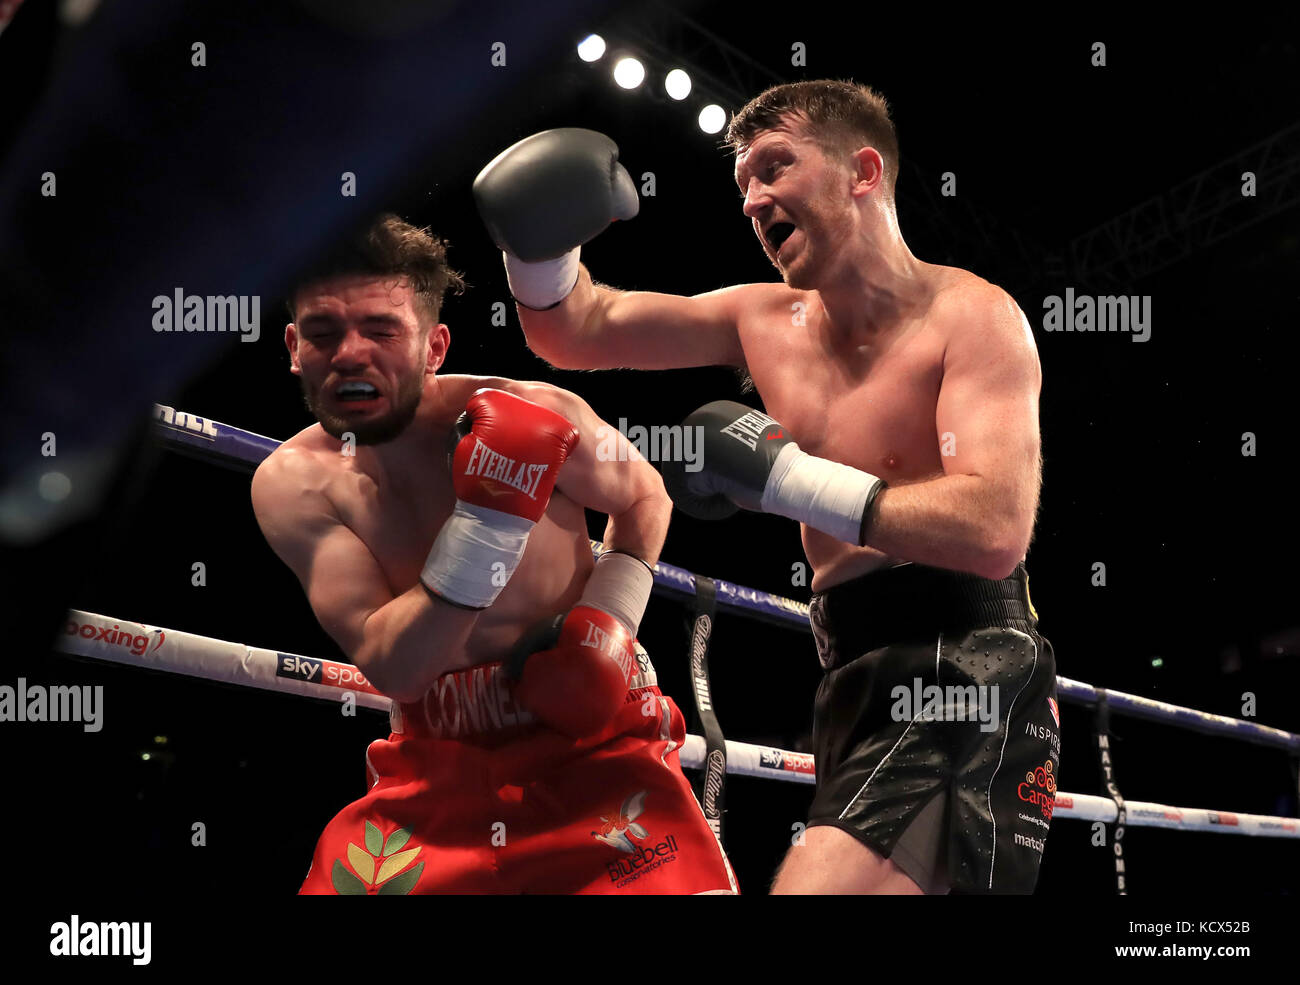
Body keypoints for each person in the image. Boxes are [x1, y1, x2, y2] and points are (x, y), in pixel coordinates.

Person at [474, 81, 1060, 894]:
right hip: (848, 671)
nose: (754, 200)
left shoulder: (973, 317)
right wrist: (537, 244)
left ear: (862, 171)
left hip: (966, 663)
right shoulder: (761, 319)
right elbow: (575, 329)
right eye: (743, 184)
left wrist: (787, 479)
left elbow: (995, 530)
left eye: (775, 169)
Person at [250, 214, 736, 895]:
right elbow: (396, 664)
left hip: (595, 742)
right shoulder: (292, 482)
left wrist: (606, 624)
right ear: (295, 347)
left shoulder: (533, 406)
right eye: (325, 333)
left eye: (382, 330)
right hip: (433, 763)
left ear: (434, 346)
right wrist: (488, 523)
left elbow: (646, 496)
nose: (351, 353)